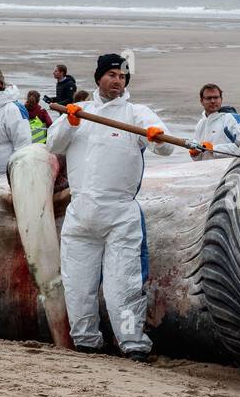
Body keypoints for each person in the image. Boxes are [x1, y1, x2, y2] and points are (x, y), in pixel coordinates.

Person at [46, 53, 173, 360]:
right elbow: (52, 145)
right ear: (99, 78)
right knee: (77, 287)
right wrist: (70, 123)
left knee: (123, 288)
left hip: (120, 216)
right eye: (112, 75)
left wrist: (157, 138)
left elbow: (166, 146)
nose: (118, 80)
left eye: (122, 76)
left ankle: (133, 343)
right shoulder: (80, 112)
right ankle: (86, 341)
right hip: (80, 215)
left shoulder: (136, 113)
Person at [190, 84, 240, 161]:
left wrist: (213, 148)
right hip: (206, 170)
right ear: (201, 101)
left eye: (216, 97)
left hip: (228, 170)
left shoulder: (231, 118)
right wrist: (194, 154)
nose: (213, 101)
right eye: (209, 98)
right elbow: (199, 159)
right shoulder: (200, 124)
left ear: (221, 99)